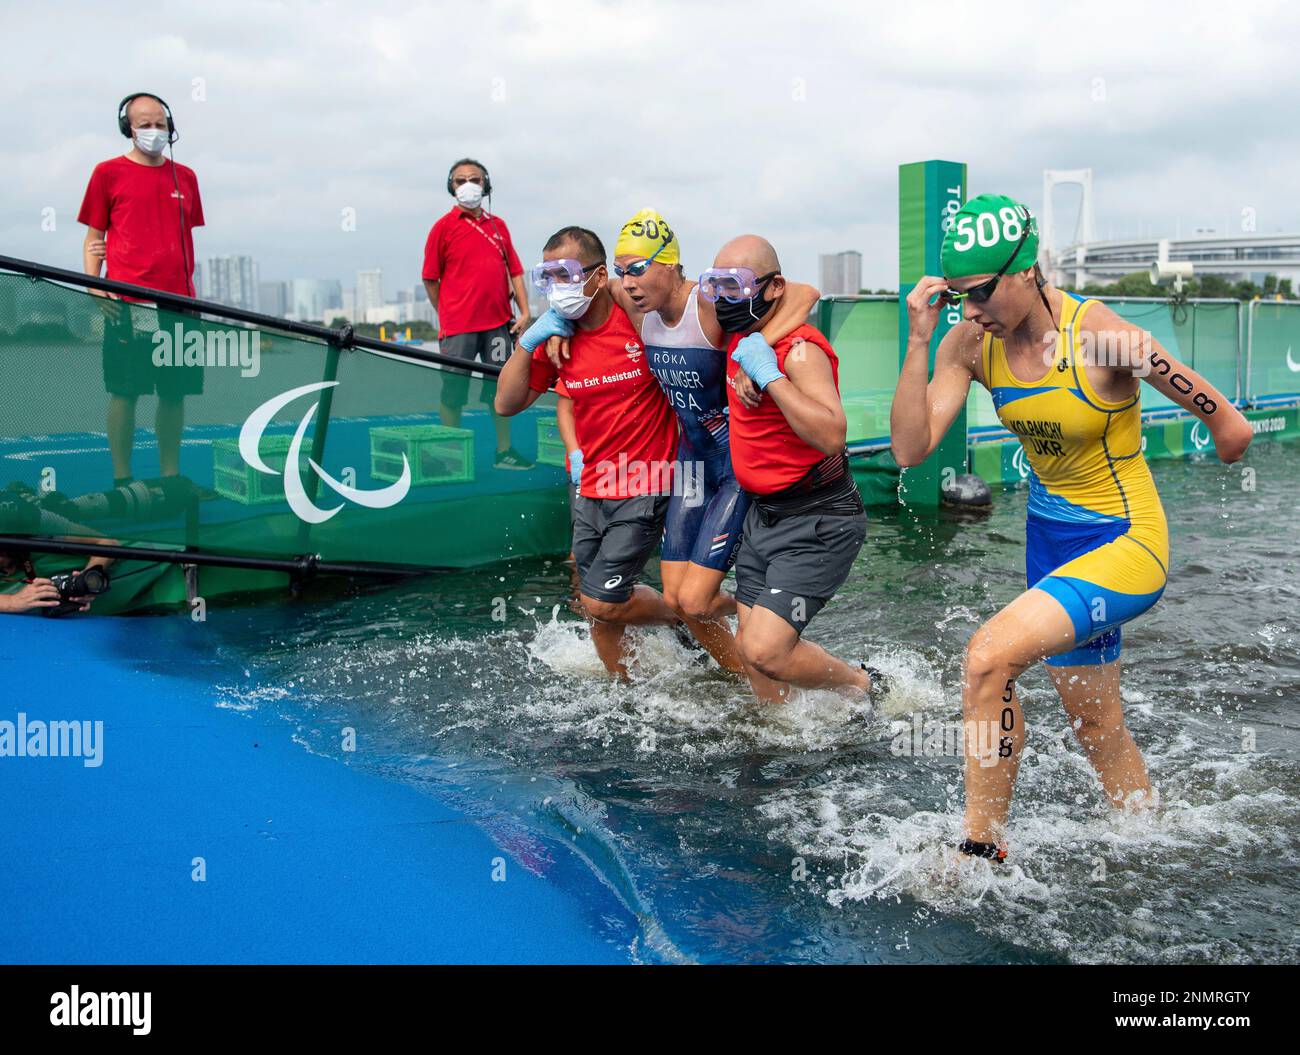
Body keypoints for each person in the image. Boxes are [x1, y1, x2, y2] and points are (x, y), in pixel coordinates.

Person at [891, 193, 1254, 861]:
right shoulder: (968, 343)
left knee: (986, 658)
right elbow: (911, 449)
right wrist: (920, 340)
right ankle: (1154, 841)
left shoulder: (1103, 337)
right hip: (1050, 545)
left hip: (1123, 541)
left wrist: (1228, 438)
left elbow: (1226, 420)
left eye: (980, 293)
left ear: (1026, 269)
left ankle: (979, 853)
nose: (970, 311)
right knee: (1095, 724)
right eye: (959, 297)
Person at [546, 208, 822, 674]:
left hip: (734, 466)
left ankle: (763, 623)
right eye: (621, 271)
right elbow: (584, 291)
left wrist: (760, 347)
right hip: (690, 463)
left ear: (671, 265)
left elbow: (806, 293)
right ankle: (745, 679)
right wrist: (558, 323)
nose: (628, 281)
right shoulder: (636, 306)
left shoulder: (707, 304)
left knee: (695, 598)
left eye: (638, 268)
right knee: (680, 600)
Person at [495, 226, 680, 677]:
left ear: (597, 278)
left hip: (646, 481)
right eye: (548, 276)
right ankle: (627, 688)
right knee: (593, 604)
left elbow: (643, 297)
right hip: (590, 485)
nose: (557, 286)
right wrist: (530, 340)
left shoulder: (636, 319)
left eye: (566, 274)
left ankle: (688, 614)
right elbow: (505, 403)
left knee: (602, 598)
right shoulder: (560, 337)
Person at [712, 235, 886, 704]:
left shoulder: (800, 350)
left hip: (818, 517)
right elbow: (805, 293)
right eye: (718, 286)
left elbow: (832, 434)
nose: (725, 297)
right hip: (762, 516)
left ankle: (866, 685)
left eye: (737, 285)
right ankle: (783, 742)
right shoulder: (740, 334)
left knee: (765, 650)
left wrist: (770, 375)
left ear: (772, 287)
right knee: (757, 663)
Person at [78, 93, 204, 489]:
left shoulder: (186, 177)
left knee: (174, 395)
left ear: (171, 128)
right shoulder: (107, 173)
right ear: (127, 128)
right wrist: (96, 288)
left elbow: (183, 238)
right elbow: (93, 239)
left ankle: (169, 479)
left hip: (180, 305)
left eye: (160, 124)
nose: (154, 131)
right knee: (125, 391)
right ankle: (123, 480)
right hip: (129, 304)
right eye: (144, 124)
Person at [422, 158, 534, 469]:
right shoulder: (442, 229)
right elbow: (430, 278)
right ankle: (448, 454)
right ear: (451, 187)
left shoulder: (498, 226)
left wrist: (525, 312)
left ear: (486, 185)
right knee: (454, 390)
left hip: (499, 324)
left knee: (500, 387)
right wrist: (445, 313)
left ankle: (504, 451)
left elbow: (515, 270)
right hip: (459, 328)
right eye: (460, 180)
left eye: (474, 179)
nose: (468, 185)